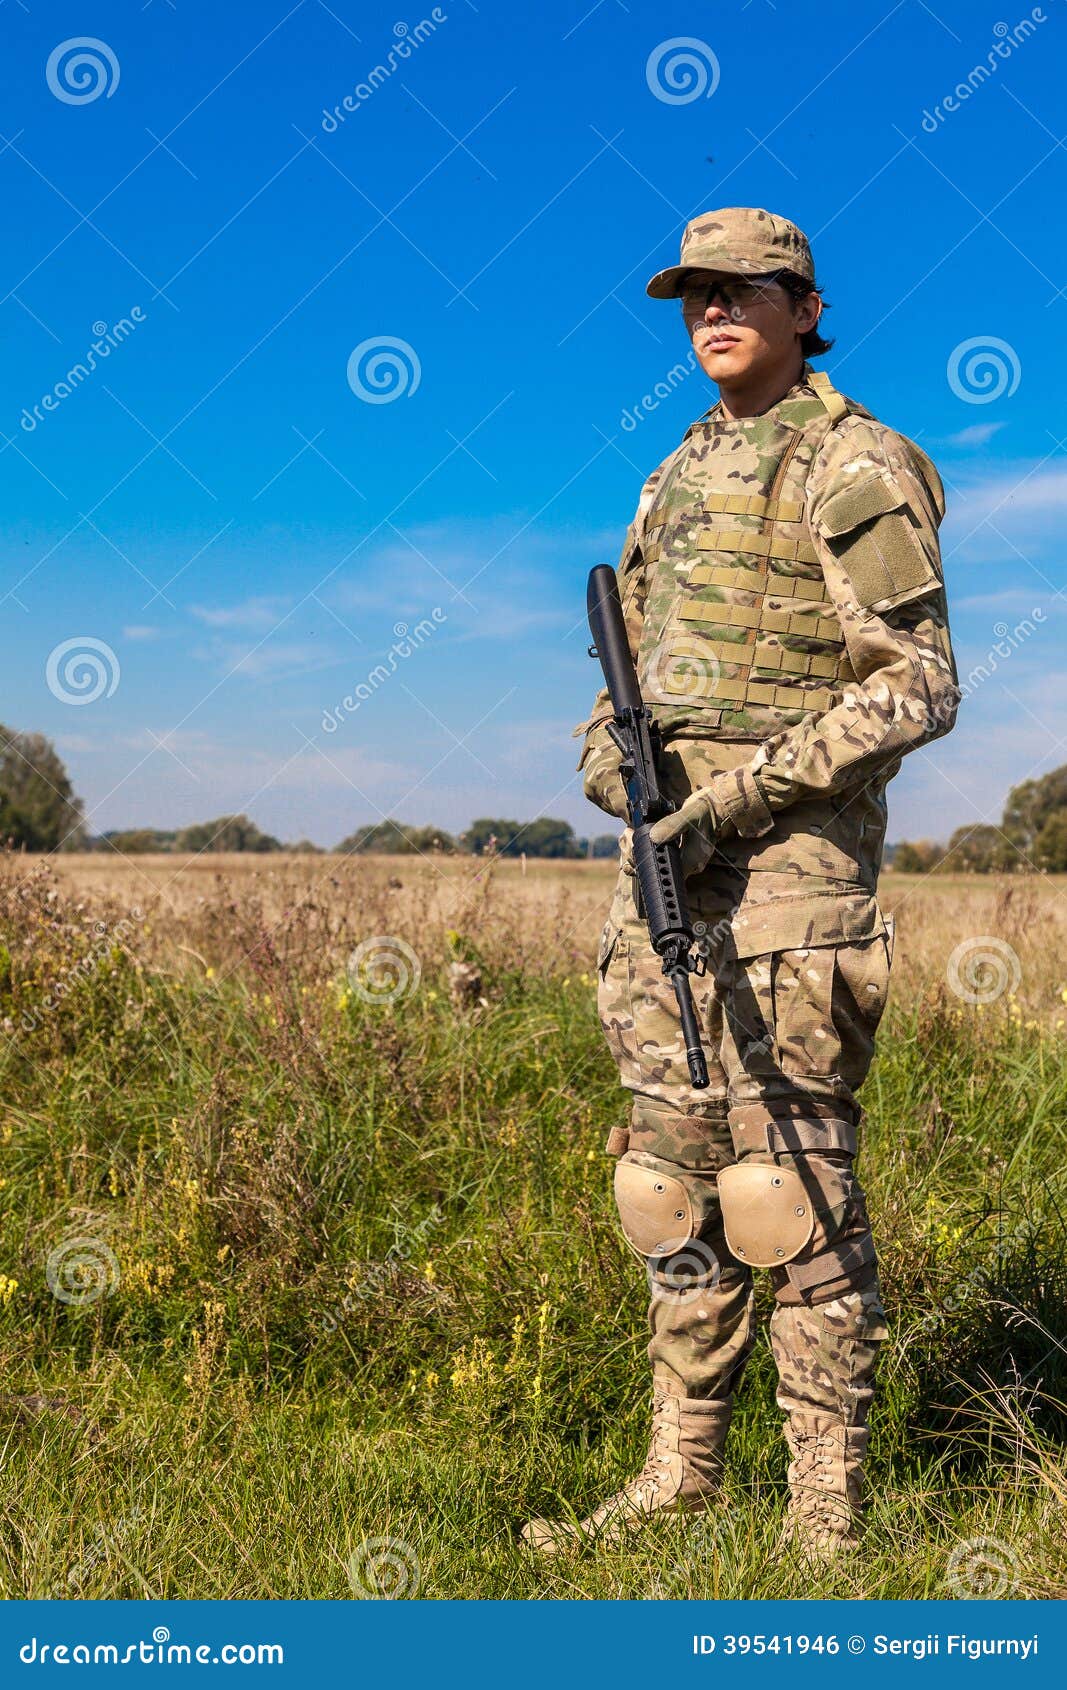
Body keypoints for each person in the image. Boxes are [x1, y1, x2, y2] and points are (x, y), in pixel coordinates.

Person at [523, 207, 959, 1557]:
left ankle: (821, 1509)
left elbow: (922, 685)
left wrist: (739, 798)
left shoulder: (853, 460)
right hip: (664, 881)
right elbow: (629, 686)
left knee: (791, 1190)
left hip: (789, 878)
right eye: (694, 292)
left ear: (804, 306)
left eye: (744, 290)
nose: (714, 309)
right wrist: (616, 772)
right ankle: (682, 1474)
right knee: (666, 1180)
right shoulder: (671, 475)